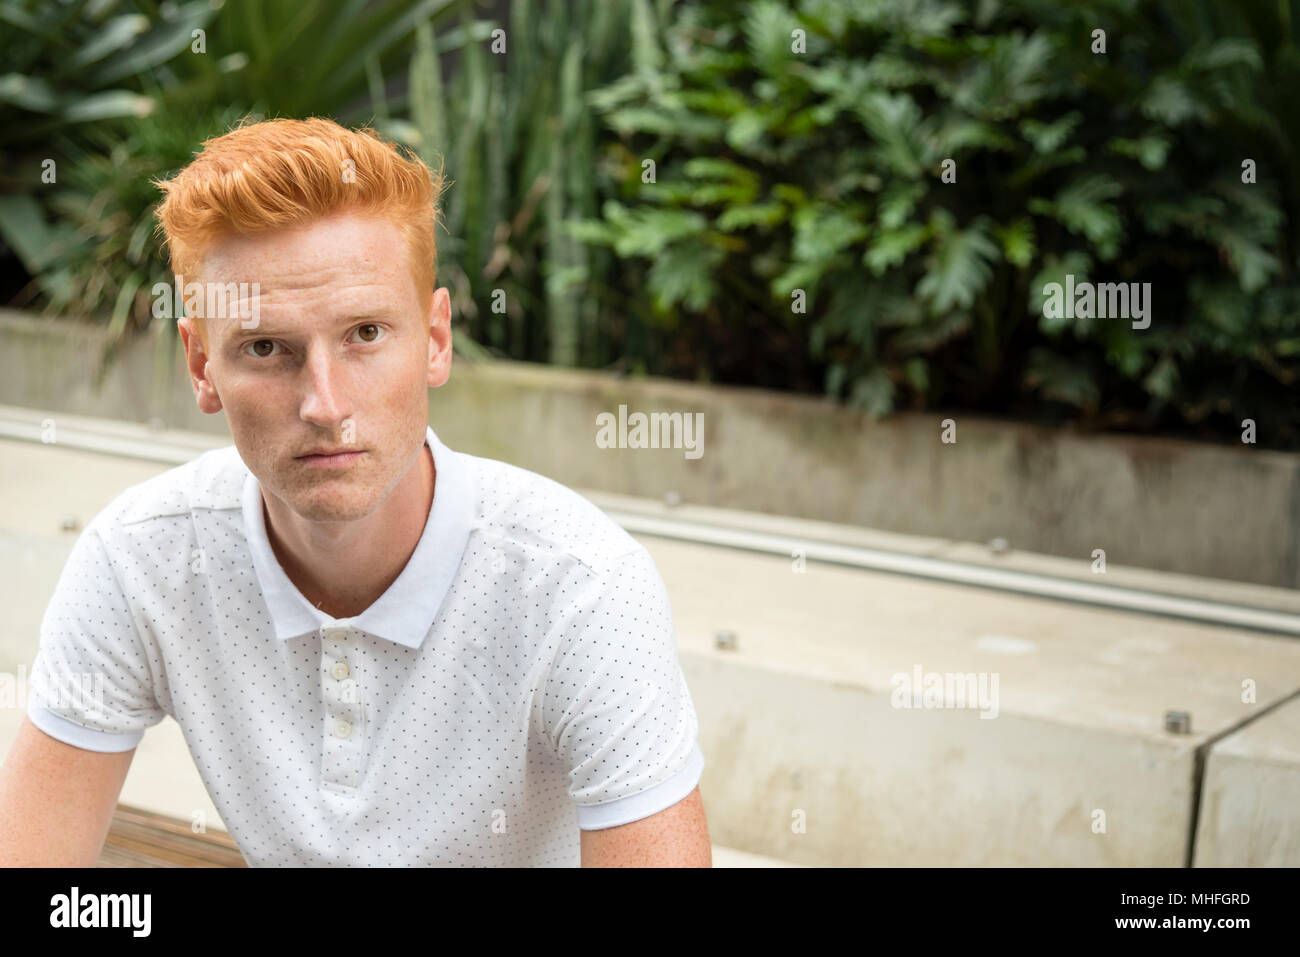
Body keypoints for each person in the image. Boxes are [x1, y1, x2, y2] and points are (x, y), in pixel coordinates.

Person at [0, 116, 710, 867]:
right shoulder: (139, 559)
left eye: (366, 333)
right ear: (202, 365)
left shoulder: (582, 587)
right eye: (267, 347)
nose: (326, 404)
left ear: (435, 342)